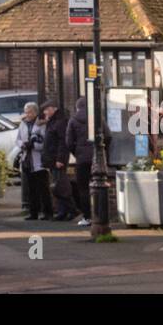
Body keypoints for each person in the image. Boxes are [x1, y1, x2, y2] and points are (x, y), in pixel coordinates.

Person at [41, 101, 78, 221]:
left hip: (57, 159)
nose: (44, 113)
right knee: (57, 186)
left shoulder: (60, 121)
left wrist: (60, 159)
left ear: (53, 109)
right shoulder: (52, 121)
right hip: (52, 159)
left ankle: (72, 210)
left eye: (46, 110)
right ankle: (63, 211)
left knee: (61, 186)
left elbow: (63, 142)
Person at [17, 102, 53, 220]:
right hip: (27, 160)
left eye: (30, 112)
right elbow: (17, 139)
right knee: (31, 189)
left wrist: (34, 145)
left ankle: (47, 212)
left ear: (36, 112)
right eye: (26, 112)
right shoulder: (22, 124)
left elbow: (45, 141)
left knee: (43, 188)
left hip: (39, 161)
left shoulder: (41, 124)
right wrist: (23, 145)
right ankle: (34, 213)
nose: (28, 114)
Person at [65, 96, 94, 227]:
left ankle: (87, 217)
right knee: (99, 186)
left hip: (81, 159)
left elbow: (69, 142)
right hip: (96, 159)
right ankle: (101, 215)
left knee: (83, 188)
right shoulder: (96, 118)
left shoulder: (73, 120)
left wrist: (76, 153)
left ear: (77, 107)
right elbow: (108, 135)